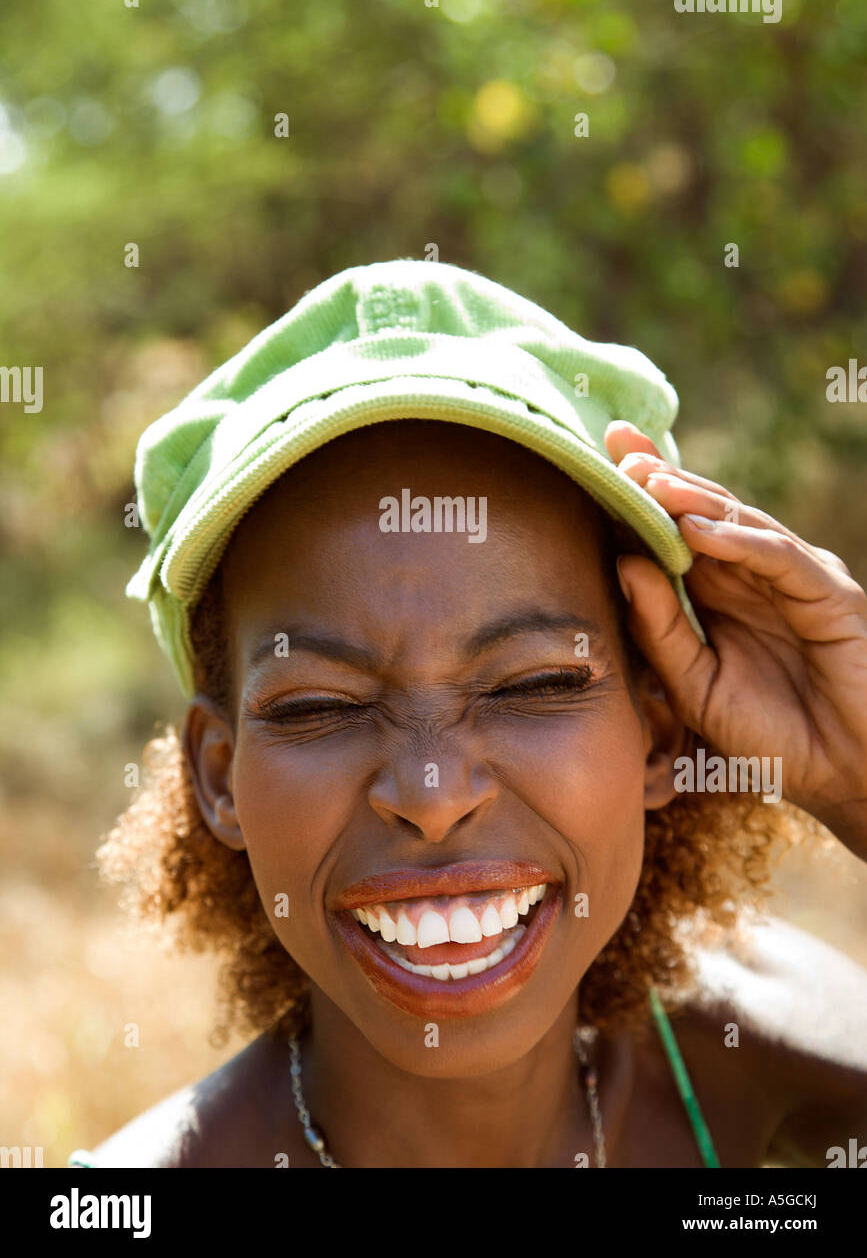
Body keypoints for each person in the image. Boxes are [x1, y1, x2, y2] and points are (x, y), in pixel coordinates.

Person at [69, 259, 867, 1169]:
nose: (433, 792)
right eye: (323, 705)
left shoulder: (779, 1084)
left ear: (658, 733)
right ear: (219, 777)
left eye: (532, 687)